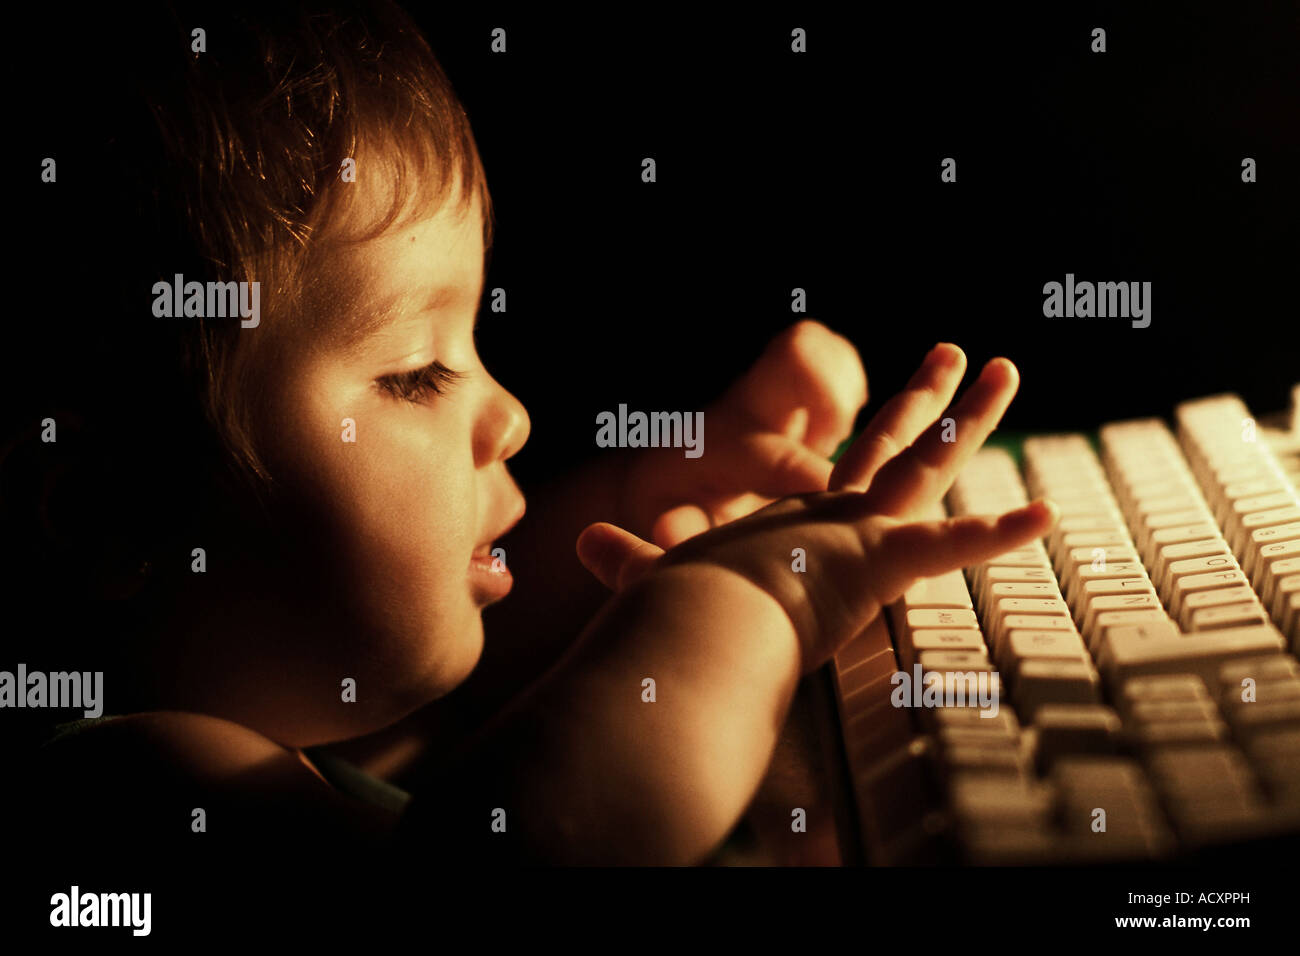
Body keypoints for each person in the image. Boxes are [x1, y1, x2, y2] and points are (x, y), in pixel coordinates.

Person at [9, 0, 1057, 869]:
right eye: (416, 372)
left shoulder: (267, 692)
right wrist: (754, 597)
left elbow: (475, 657)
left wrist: (650, 494)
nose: (509, 415)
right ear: (119, 511)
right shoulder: (119, 791)